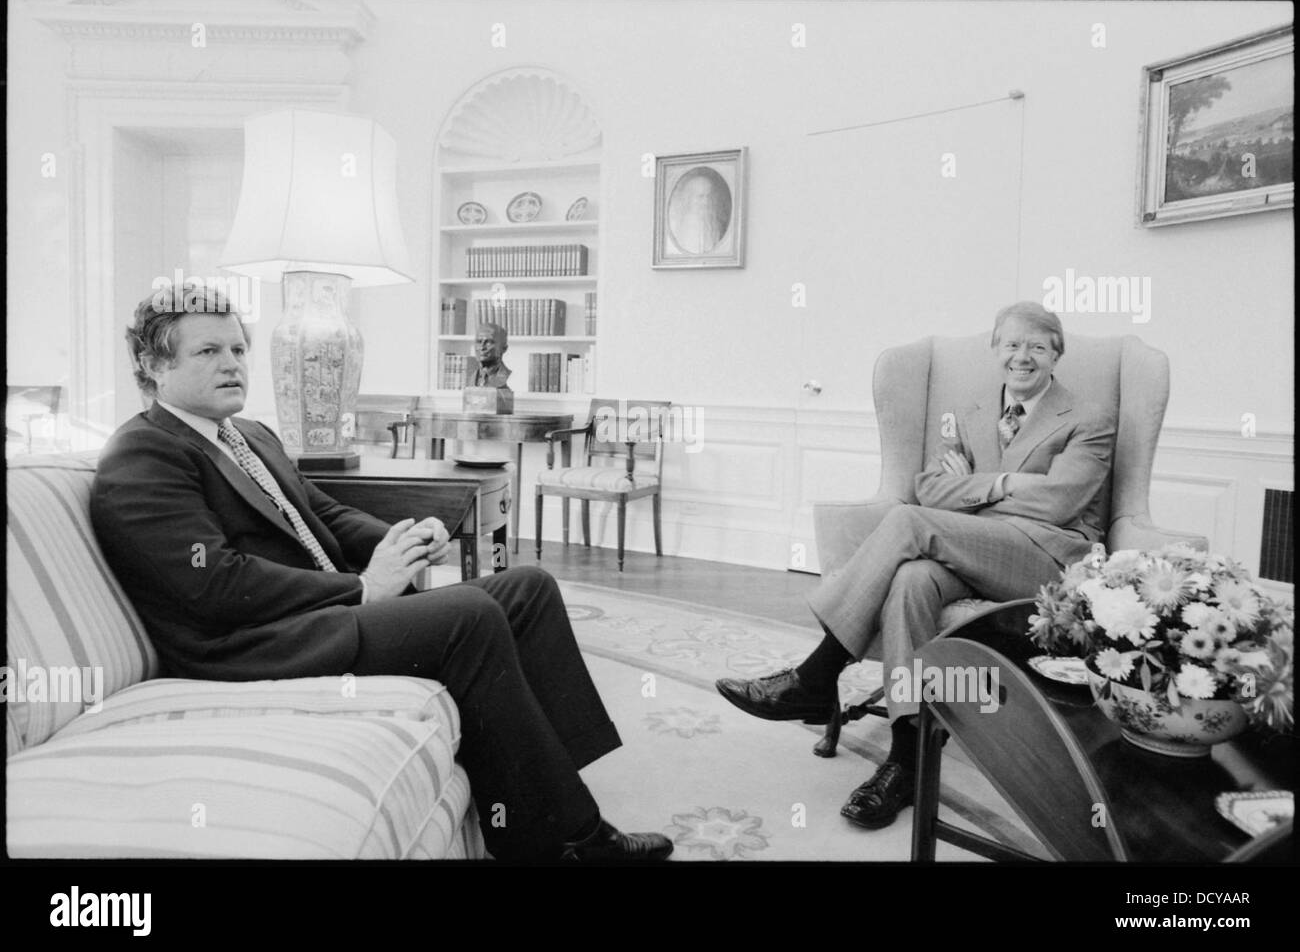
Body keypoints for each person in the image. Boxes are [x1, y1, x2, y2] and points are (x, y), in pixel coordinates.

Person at [90, 284, 671, 863]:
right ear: (153, 365)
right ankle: (567, 840)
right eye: (208, 351)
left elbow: (320, 511)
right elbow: (213, 583)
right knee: (467, 615)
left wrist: (405, 537)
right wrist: (365, 587)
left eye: (239, 350)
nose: (233, 364)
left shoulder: (250, 435)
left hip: (320, 611)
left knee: (528, 587)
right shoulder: (143, 454)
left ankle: (548, 793)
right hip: (246, 644)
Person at [716, 301, 1115, 830]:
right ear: (995, 351)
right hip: (969, 549)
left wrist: (971, 489)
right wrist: (1006, 484)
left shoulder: (1089, 418)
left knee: (908, 524)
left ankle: (816, 674)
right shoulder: (968, 413)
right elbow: (928, 486)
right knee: (910, 579)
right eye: (1013, 345)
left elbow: (1060, 503)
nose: (1023, 357)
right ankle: (907, 759)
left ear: (1056, 356)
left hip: (1044, 561)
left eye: (1038, 347)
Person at [466, 323, 512, 388]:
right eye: (479, 342)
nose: (482, 347)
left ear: (504, 348)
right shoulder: (471, 378)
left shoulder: (509, 379)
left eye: (489, 342)